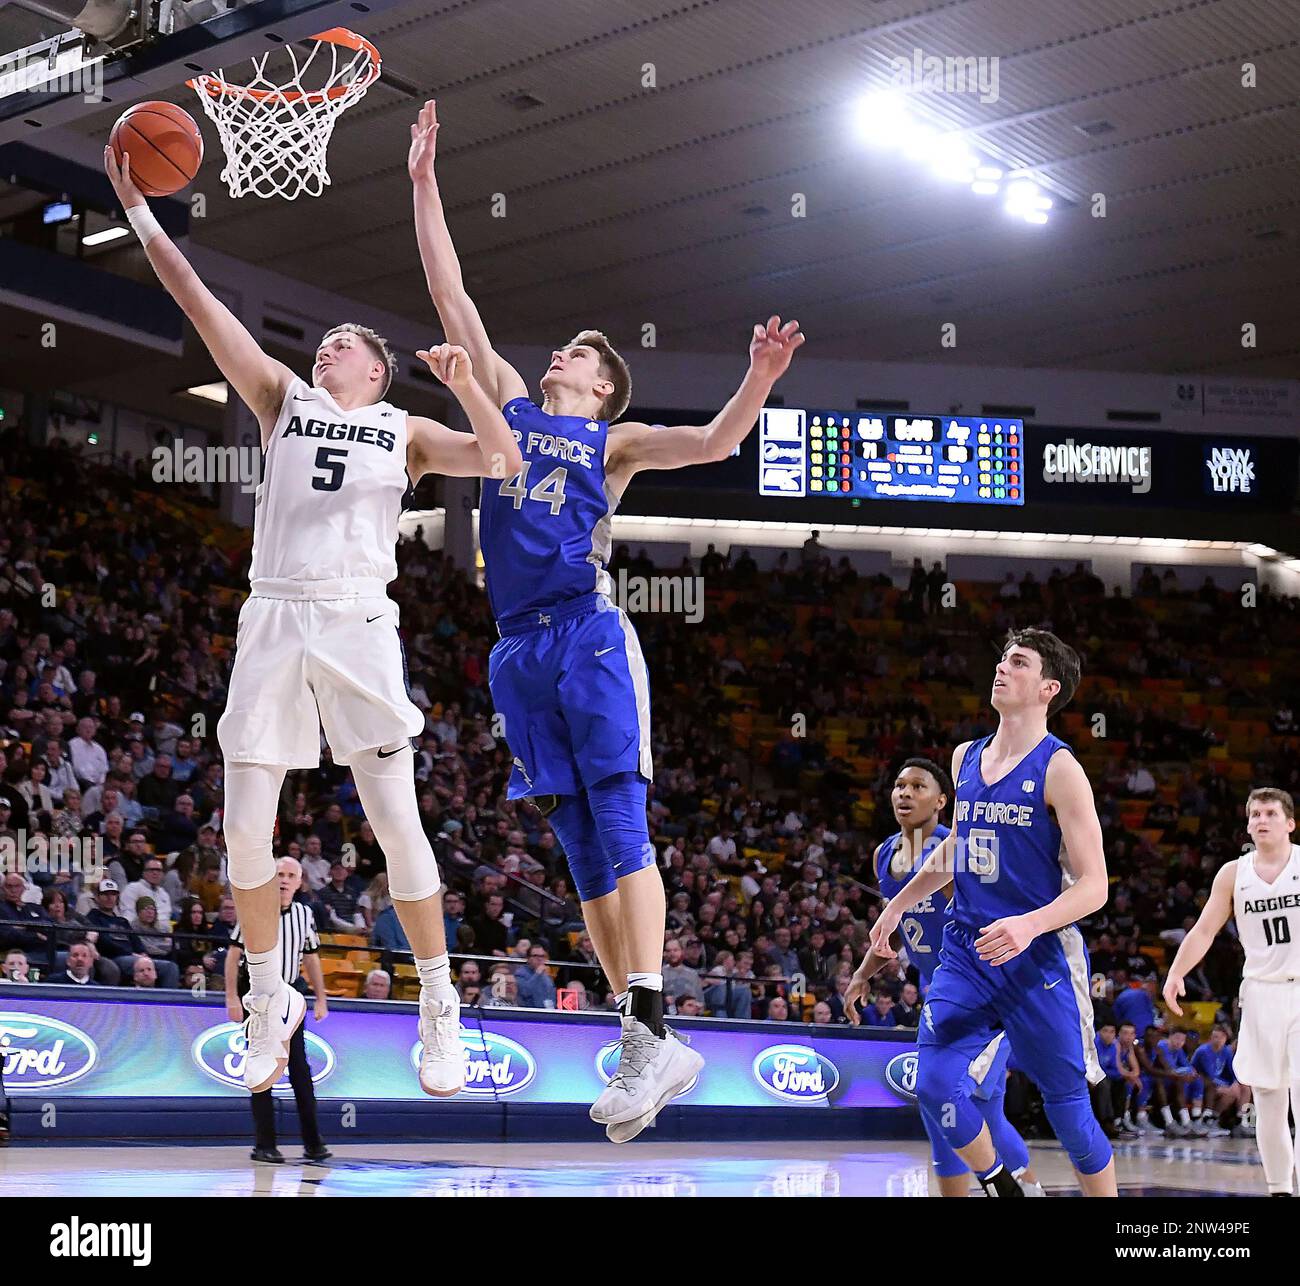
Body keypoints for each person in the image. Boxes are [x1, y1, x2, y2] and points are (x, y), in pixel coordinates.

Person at [409, 98, 803, 1143]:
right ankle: (642, 1036)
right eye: (568, 352)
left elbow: (717, 442)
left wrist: (757, 379)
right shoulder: (505, 404)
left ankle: (655, 1019)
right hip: (514, 652)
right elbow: (451, 297)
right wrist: (421, 183)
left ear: (602, 383)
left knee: (621, 826)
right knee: (579, 847)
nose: (563, 358)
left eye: (583, 355)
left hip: (586, 634)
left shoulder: (614, 441)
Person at [103, 142, 525, 1101]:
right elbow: (196, 298)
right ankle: (265, 996)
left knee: (397, 825)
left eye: (346, 343)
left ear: (377, 372)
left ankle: (436, 1003)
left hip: (357, 623)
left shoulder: (406, 431)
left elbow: (502, 463)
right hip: (275, 618)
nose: (327, 345)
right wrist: (137, 208)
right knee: (243, 830)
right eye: (323, 340)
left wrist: (464, 379)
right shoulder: (278, 398)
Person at [870, 630, 1116, 1197]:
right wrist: (898, 905)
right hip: (968, 949)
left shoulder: (1060, 770)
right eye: (1003, 658)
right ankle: (1003, 1185)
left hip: (1038, 955)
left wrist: (1029, 924)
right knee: (932, 1083)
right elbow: (959, 848)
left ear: (1047, 688)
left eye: (1019, 662)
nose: (1002, 668)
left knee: (1070, 1113)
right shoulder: (967, 757)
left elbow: (1096, 886)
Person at [847, 758, 1041, 1196]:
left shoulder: (954, 849)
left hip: (980, 993)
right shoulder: (883, 854)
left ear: (942, 801)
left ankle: (1023, 1188)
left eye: (918, 786)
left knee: (955, 1101)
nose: (904, 793)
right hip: (940, 997)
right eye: (899, 785)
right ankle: (1018, 1188)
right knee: (956, 1107)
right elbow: (898, 929)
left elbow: (982, 917)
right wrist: (864, 973)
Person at [1163, 787, 1299, 1194]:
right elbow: (1205, 929)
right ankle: (1277, 1189)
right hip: (1259, 993)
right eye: (1255, 814)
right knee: (1269, 1101)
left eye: (1271, 813)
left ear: (1289, 823)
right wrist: (1176, 972)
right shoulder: (1233, 873)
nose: (1261, 820)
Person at [225, 857, 332, 1163]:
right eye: (279, 874)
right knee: (262, 1068)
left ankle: (313, 1143)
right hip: (257, 994)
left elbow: (311, 957)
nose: (284, 880)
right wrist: (231, 997)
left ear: (300, 882)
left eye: (291, 875)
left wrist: (321, 997)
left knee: (300, 1069)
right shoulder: (254, 908)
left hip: (291, 993)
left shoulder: (304, 914)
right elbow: (233, 956)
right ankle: (264, 1144)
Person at [1190, 1025, 1249, 1137]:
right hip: (1202, 1085)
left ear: (1225, 1039)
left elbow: (1233, 1072)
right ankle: (1207, 1121)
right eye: (1215, 1037)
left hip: (1216, 1084)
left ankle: (1241, 1122)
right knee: (1231, 1092)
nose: (1218, 1040)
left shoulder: (1226, 1051)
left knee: (1244, 1088)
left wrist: (1235, 1083)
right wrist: (1227, 1086)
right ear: (1211, 1038)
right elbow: (1210, 1075)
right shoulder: (1204, 1051)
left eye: (1221, 1037)